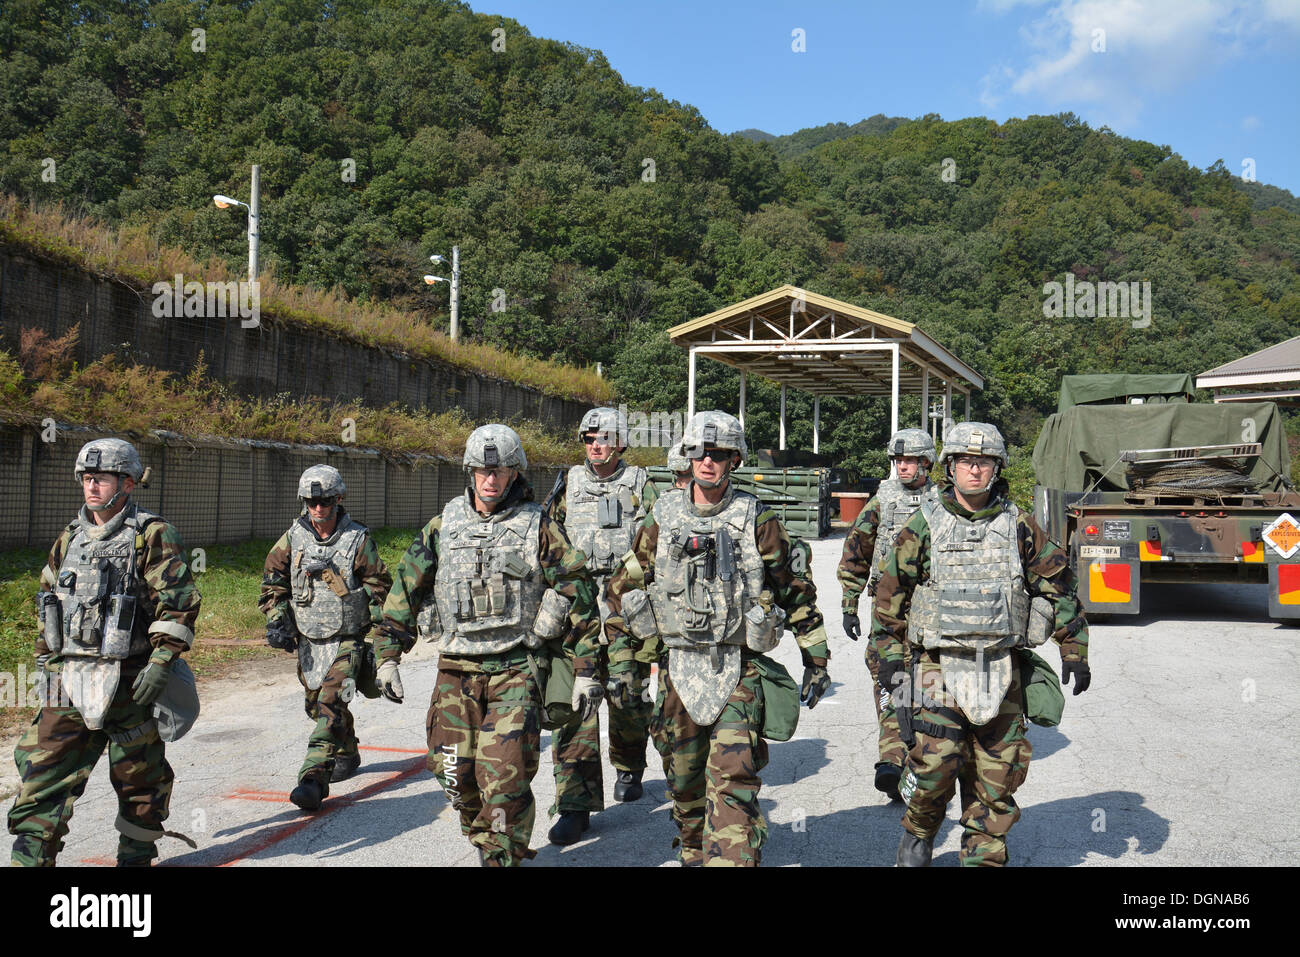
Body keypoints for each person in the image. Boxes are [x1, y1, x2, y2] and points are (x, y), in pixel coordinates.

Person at [605, 411, 830, 866]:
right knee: (684, 787)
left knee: (732, 784)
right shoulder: (662, 516)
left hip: (738, 670)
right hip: (677, 671)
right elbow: (623, 588)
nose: (707, 462)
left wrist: (816, 658)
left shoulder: (757, 520)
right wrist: (622, 665)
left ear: (735, 460)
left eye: (719, 454)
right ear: (687, 456)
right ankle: (692, 848)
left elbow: (794, 588)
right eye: (699, 452)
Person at [373, 425, 601, 866]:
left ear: (515, 473)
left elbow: (578, 594)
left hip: (515, 670)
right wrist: (387, 656)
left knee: (505, 779)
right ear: (470, 472)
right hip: (455, 671)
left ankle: (500, 853)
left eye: (500, 471)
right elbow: (404, 589)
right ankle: (489, 837)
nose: (490, 480)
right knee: (452, 772)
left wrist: (587, 670)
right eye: (482, 470)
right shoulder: (443, 526)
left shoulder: (539, 526)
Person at [870, 422, 1091, 867]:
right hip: (936, 667)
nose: (975, 469)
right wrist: (891, 663)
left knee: (996, 779)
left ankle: (984, 856)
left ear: (997, 467)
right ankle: (917, 836)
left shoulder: (1020, 526)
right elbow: (890, 599)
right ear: (950, 466)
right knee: (933, 769)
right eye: (967, 461)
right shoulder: (924, 524)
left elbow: (1058, 587)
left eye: (985, 461)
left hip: (1000, 668)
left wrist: (1074, 648)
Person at [10, 438, 202, 866]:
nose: (92, 486)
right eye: (87, 478)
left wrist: (161, 661)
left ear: (129, 483)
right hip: (71, 679)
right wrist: (45, 663)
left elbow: (179, 601)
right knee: (42, 772)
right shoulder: (70, 537)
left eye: (102, 478)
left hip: (131, 680)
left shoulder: (152, 534)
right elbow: (49, 601)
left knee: (141, 779)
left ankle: (135, 857)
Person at [543, 407, 658, 845]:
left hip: (624, 605)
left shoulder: (639, 485)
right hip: (578, 607)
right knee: (577, 702)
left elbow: (657, 540)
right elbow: (547, 540)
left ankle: (629, 764)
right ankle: (575, 803)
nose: (595, 445)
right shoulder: (568, 484)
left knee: (627, 694)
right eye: (589, 438)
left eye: (604, 438)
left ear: (621, 442)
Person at [259, 465, 392, 811]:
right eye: (312, 502)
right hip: (309, 640)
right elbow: (272, 584)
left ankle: (313, 778)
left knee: (331, 702)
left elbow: (381, 592)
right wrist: (277, 620)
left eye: (326, 501)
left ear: (339, 499)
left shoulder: (357, 540)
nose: (319, 508)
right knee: (315, 705)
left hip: (347, 639)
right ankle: (346, 750)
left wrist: (384, 645)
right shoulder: (292, 539)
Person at [837, 428, 936, 801]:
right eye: (898, 461)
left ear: (928, 462)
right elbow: (855, 553)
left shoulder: (943, 503)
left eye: (910, 460)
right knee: (888, 681)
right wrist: (849, 603)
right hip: (886, 612)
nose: (903, 467)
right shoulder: (882, 501)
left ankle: (917, 763)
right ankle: (891, 761)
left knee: (927, 691)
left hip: (929, 614)